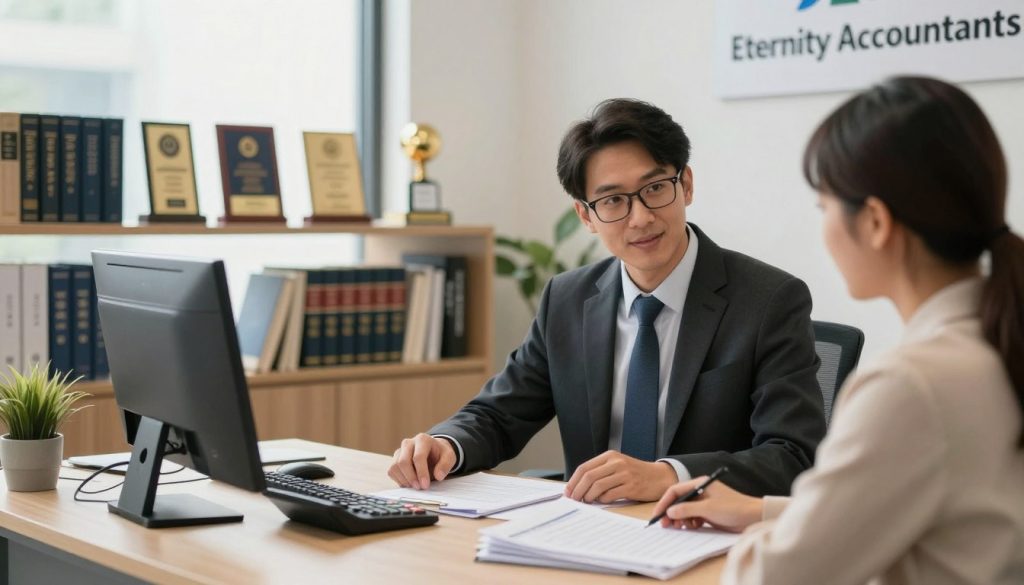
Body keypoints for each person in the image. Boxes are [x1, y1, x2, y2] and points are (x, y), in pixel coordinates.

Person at [653, 76, 1024, 584]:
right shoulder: (996, 343)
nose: (823, 225)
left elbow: (774, 577)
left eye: (824, 206)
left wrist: (770, 537)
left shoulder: (910, 386)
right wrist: (762, 511)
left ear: (874, 222)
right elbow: (924, 508)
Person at [387, 98, 827, 502]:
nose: (641, 218)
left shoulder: (769, 300)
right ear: (586, 215)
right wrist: (448, 444)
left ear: (686, 185)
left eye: (655, 189)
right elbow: (500, 414)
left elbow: (792, 456)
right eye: (613, 200)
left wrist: (668, 475)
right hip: (592, 532)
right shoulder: (568, 299)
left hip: (706, 536)